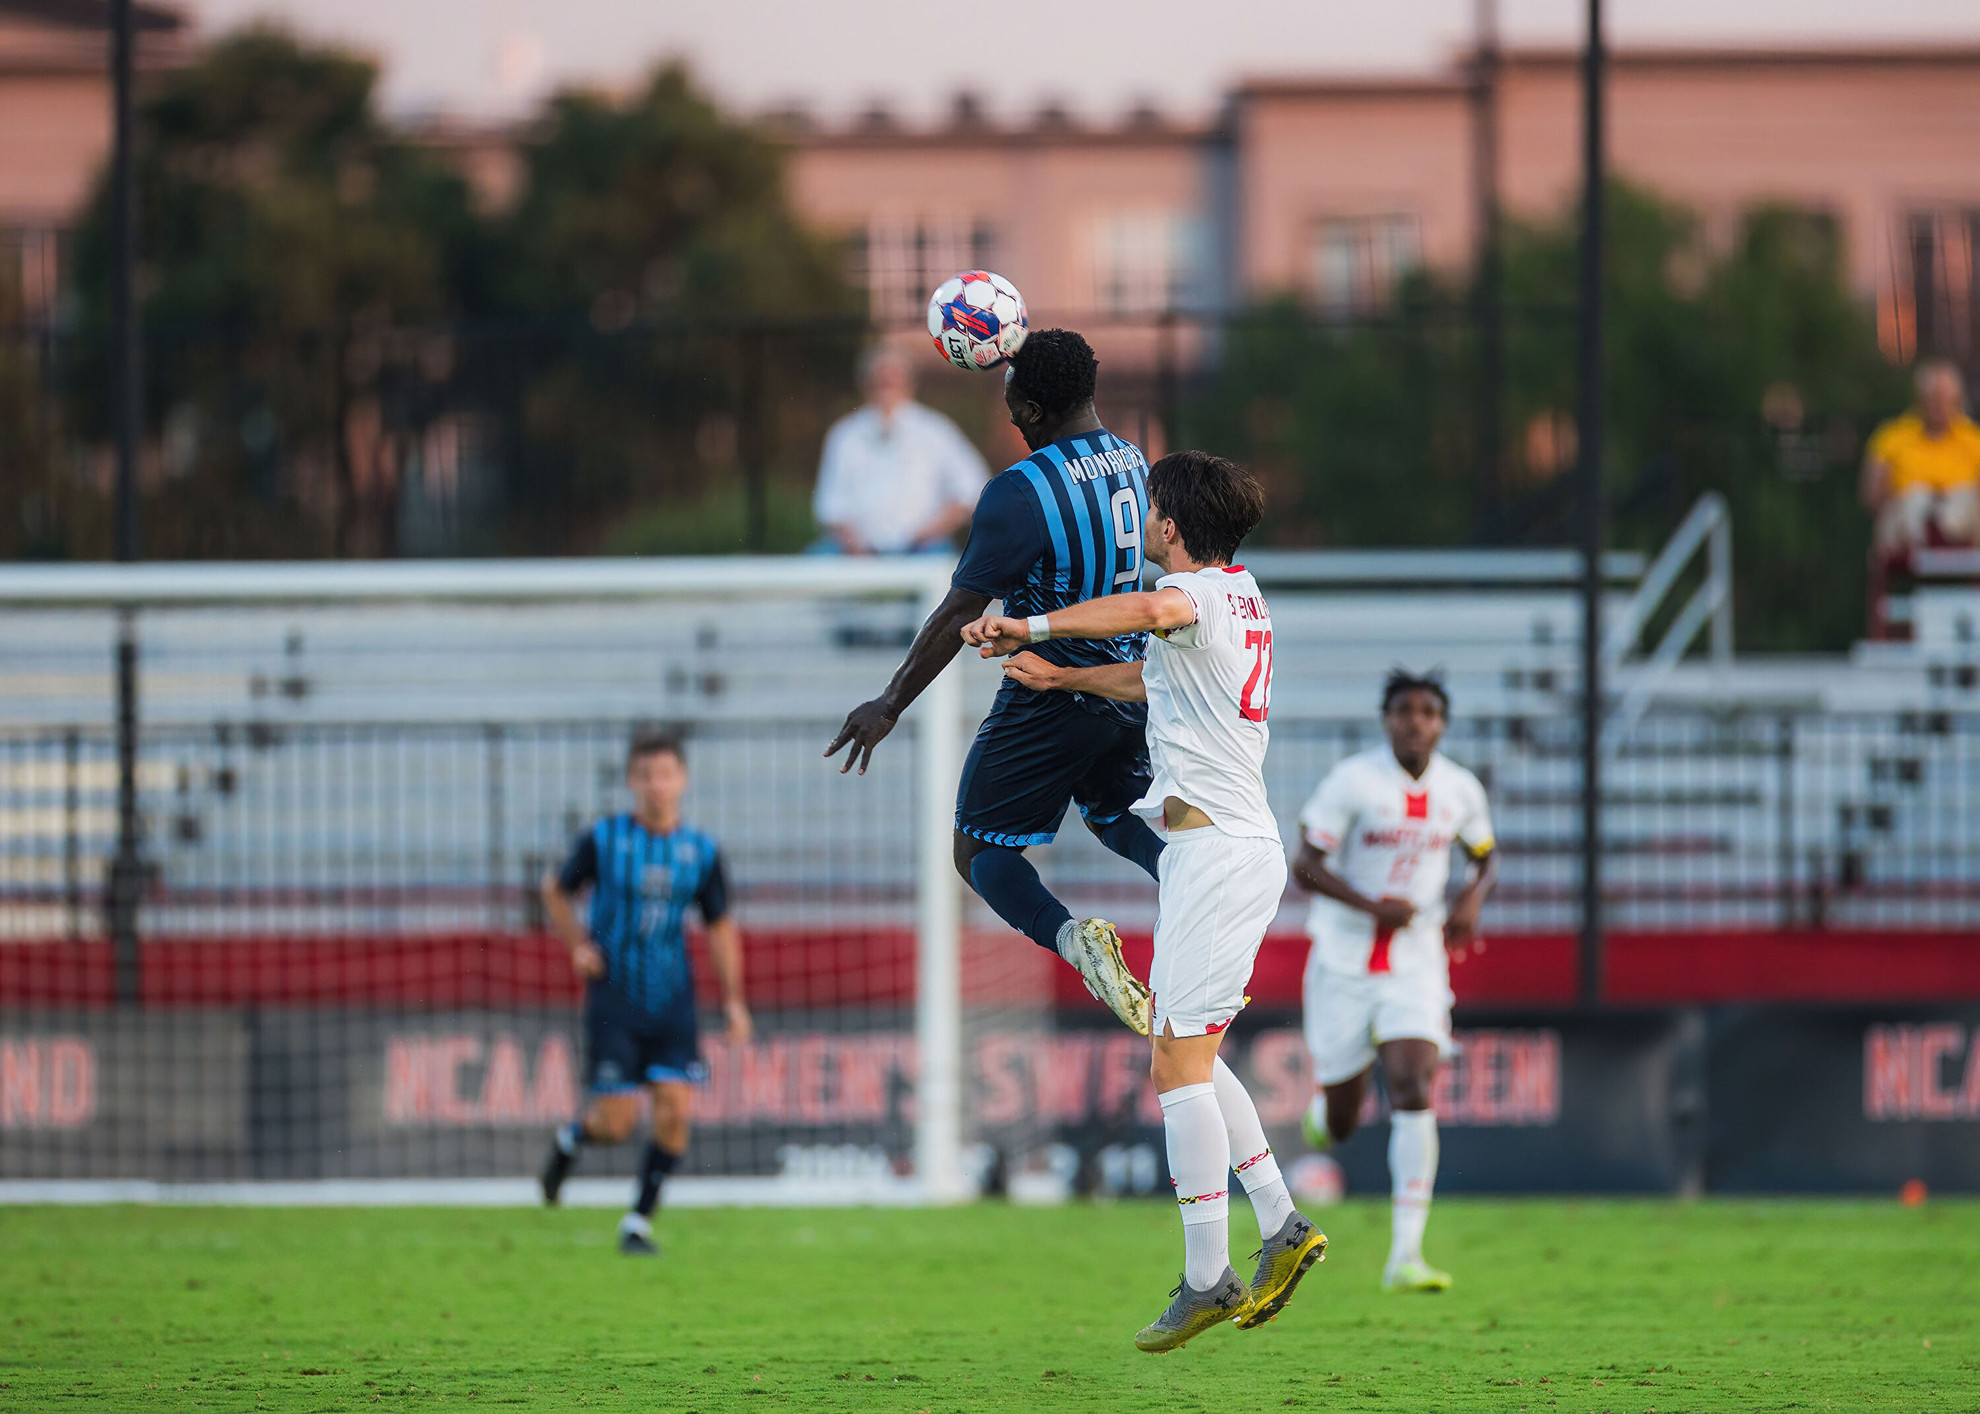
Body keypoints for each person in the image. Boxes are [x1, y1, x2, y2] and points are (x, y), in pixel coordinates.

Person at [967, 450, 1329, 1354]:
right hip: (1232, 850)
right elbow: (1153, 676)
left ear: (1169, 525)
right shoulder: (1242, 598)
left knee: (1174, 1070)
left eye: (1152, 511)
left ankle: (1208, 1276)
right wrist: (1065, 678)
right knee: (1191, 1055)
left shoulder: (1193, 597)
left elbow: (1150, 612)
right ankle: (1281, 1224)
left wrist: (1030, 627)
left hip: (1216, 855)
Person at [825, 329, 1167, 1035]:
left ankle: (1077, 942)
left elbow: (959, 611)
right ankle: (1196, 884)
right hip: (1128, 686)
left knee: (978, 850)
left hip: (1049, 691)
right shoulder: (1134, 460)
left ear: (1036, 409)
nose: (1008, 414)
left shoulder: (1018, 492)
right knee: (1109, 812)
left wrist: (888, 703)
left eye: (1014, 401)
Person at [1291, 670, 1497, 1293]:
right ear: (1386, 719)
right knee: (1346, 1119)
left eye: (1429, 712)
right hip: (1343, 961)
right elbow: (1305, 866)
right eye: (1404, 710)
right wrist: (1372, 906)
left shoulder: (1460, 788)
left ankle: (1405, 1255)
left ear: (1442, 724)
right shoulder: (1353, 781)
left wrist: (1470, 901)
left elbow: (1484, 855)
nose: (1416, 721)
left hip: (1415, 961)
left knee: (1413, 1082)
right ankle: (1325, 1115)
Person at [537, 731, 752, 1255]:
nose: (657, 785)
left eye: (666, 775)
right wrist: (578, 945)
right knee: (616, 1123)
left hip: (673, 1002)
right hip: (614, 1001)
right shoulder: (605, 839)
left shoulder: (700, 852)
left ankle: (637, 1222)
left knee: (675, 1110)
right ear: (633, 781)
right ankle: (572, 1141)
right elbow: (554, 888)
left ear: (682, 780)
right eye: (646, 775)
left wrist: (733, 1001)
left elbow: (720, 927)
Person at [812, 343, 989, 554]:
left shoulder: (935, 430)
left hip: (923, 549)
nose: (885, 386)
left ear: (909, 382)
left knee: (945, 566)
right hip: (853, 551)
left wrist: (931, 531)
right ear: (865, 383)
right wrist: (853, 544)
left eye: (893, 379)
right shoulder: (845, 434)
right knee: (815, 564)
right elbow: (830, 505)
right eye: (878, 380)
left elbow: (972, 488)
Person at [1861, 359, 1980, 556]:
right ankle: (1926, 534)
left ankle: (1940, 528)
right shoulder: (1891, 437)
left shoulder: (1974, 439)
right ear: (1919, 399)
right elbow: (1870, 495)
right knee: (1917, 499)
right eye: (1933, 398)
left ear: (1957, 400)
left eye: (1945, 398)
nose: (1939, 405)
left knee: (1964, 500)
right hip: (1905, 518)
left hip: (1961, 515)